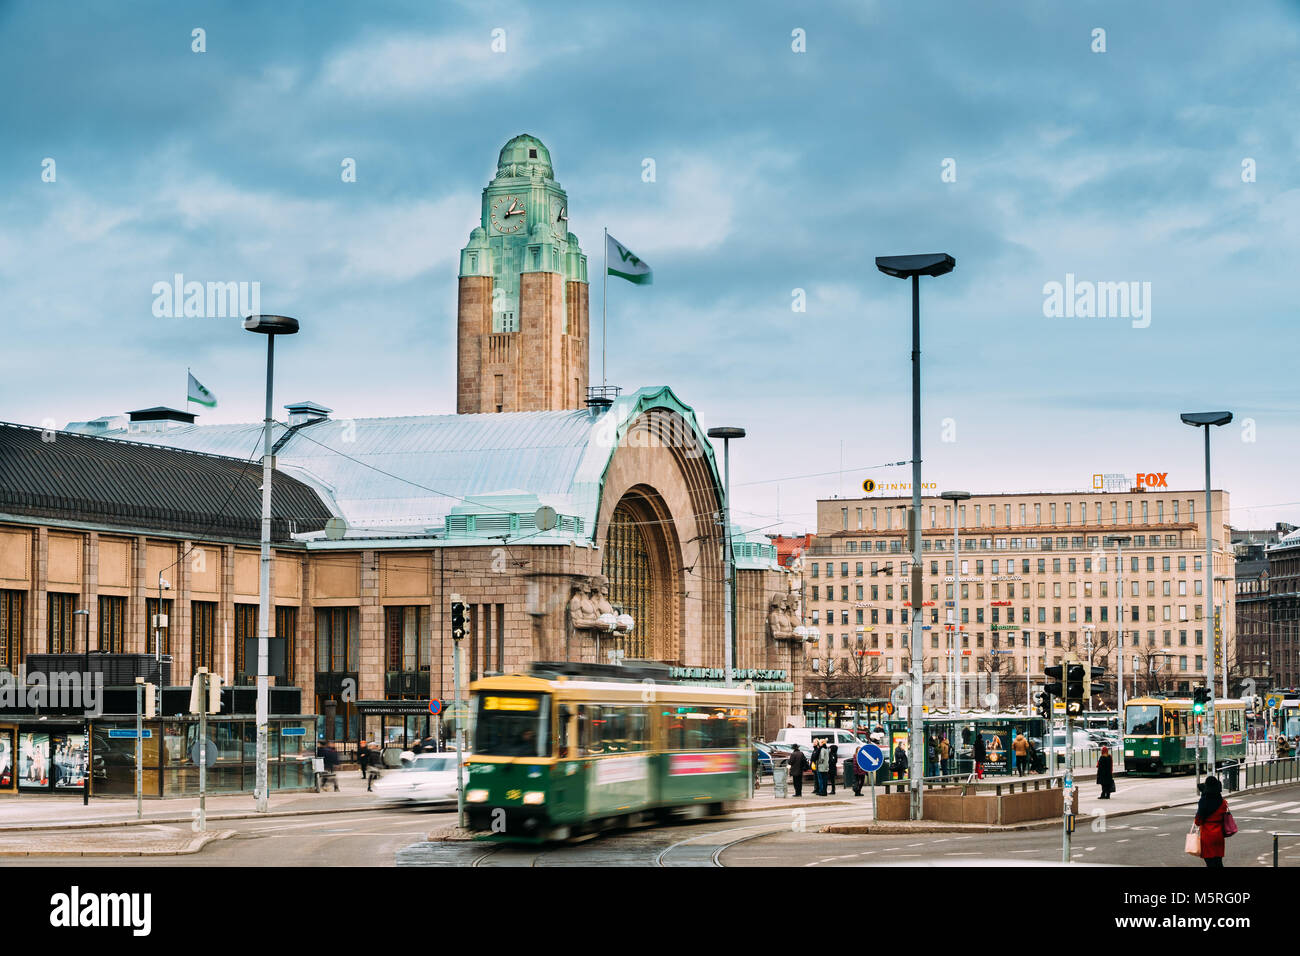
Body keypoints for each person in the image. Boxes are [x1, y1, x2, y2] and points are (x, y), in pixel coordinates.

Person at [1194, 775, 1229, 867]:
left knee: (1210, 862)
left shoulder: (1204, 801)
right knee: (1218, 862)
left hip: (1208, 835)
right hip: (1219, 835)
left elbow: (1198, 821)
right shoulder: (1222, 802)